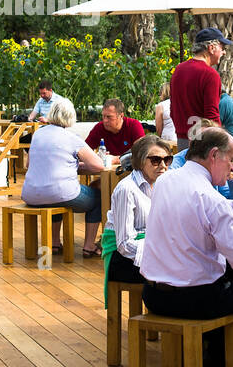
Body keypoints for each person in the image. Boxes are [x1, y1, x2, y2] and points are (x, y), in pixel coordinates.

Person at [140, 128, 233, 367]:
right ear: (214, 155)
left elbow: (203, 208)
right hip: (193, 299)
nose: (232, 167)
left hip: (153, 293)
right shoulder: (211, 198)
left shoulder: (167, 181)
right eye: (231, 159)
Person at [21, 97, 107, 256]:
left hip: (30, 194)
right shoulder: (71, 138)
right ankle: (89, 246)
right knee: (98, 198)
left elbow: (28, 165)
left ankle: (54, 244)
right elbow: (98, 165)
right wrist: (77, 165)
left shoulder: (37, 135)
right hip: (60, 193)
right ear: (71, 117)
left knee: (56, 194)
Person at [102, 134, 174, 287]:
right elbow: (124, 244)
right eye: (155, 160)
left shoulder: (164, 185)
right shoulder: (127, 189)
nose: (163, 165)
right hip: (124, 257)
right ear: (141, 161)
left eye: (167, 160)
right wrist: (159, 254)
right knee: (179, 274)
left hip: (153, 249)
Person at [170, 27, 227, 147]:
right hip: (203, 142)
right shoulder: (210, 74)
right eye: (222, 47)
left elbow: (173, 109)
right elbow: (212, 115)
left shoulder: (178, 70)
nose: (224, 52)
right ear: (211, 48)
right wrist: (220, 143)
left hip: (182, 139)